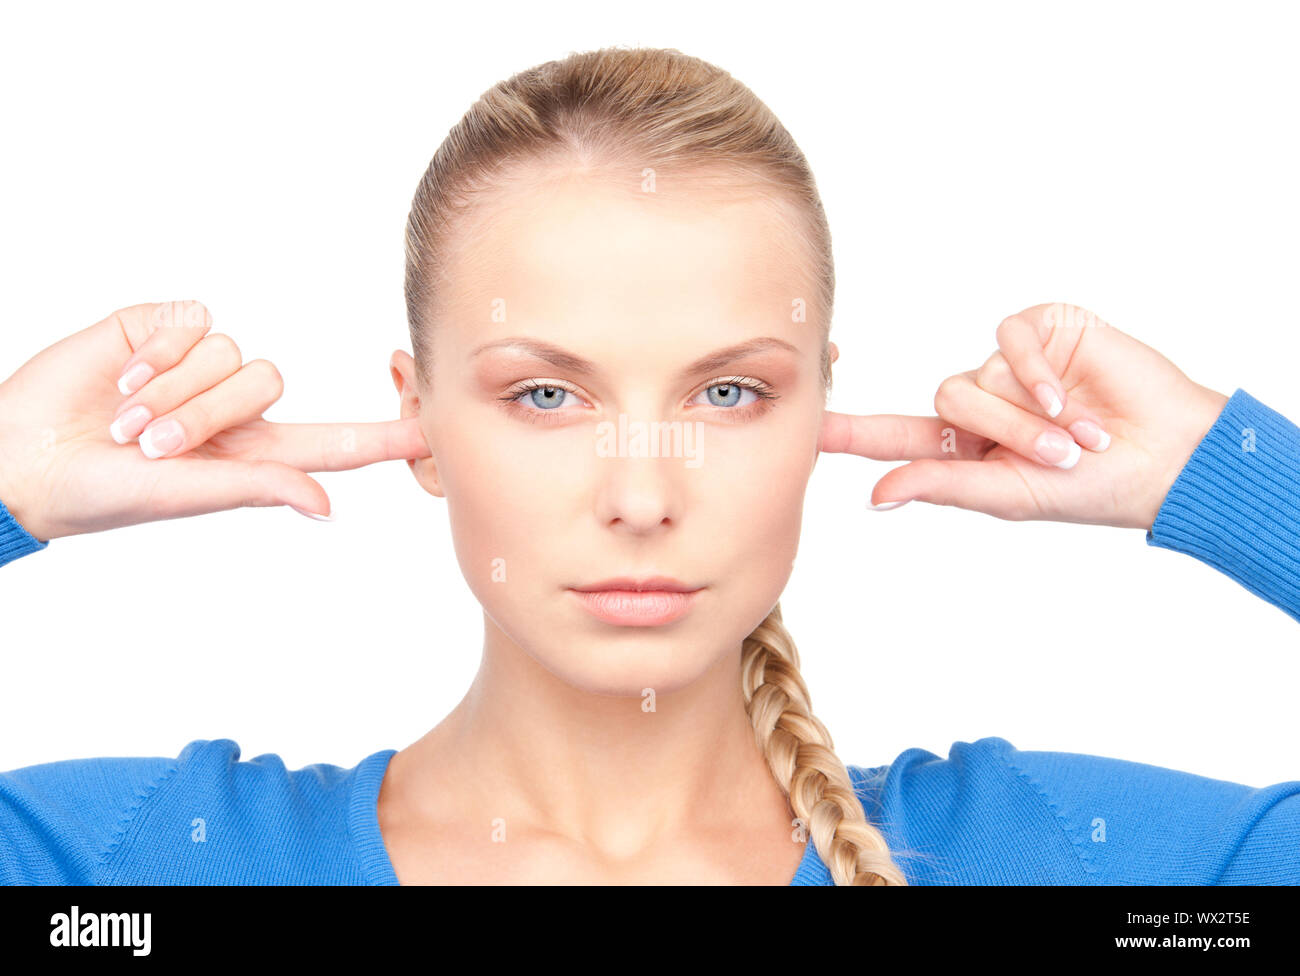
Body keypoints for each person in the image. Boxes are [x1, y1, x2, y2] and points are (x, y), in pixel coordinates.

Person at [2, 47, 1297, 886]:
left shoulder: (1063, 865)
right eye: (546, 394)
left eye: (730, 392)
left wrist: (1222, 472)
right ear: (422, 422)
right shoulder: (126, 878)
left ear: (819, 415)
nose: (640, 495)